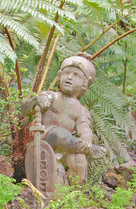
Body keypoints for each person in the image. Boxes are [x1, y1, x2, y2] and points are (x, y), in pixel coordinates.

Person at [21, 52, 104, 184]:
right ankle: (87, 149)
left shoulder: (81, 109)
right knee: (58, 133)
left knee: (78, 159)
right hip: (46, 136)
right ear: (59, 76)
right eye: (66, 73)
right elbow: (25, 110)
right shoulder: (52, 96)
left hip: (66, 147)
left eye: (76, 75)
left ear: (84, 84)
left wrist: (86, 139)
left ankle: (75, 192)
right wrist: (38, 100)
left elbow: (84, 128)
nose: (69, 77)